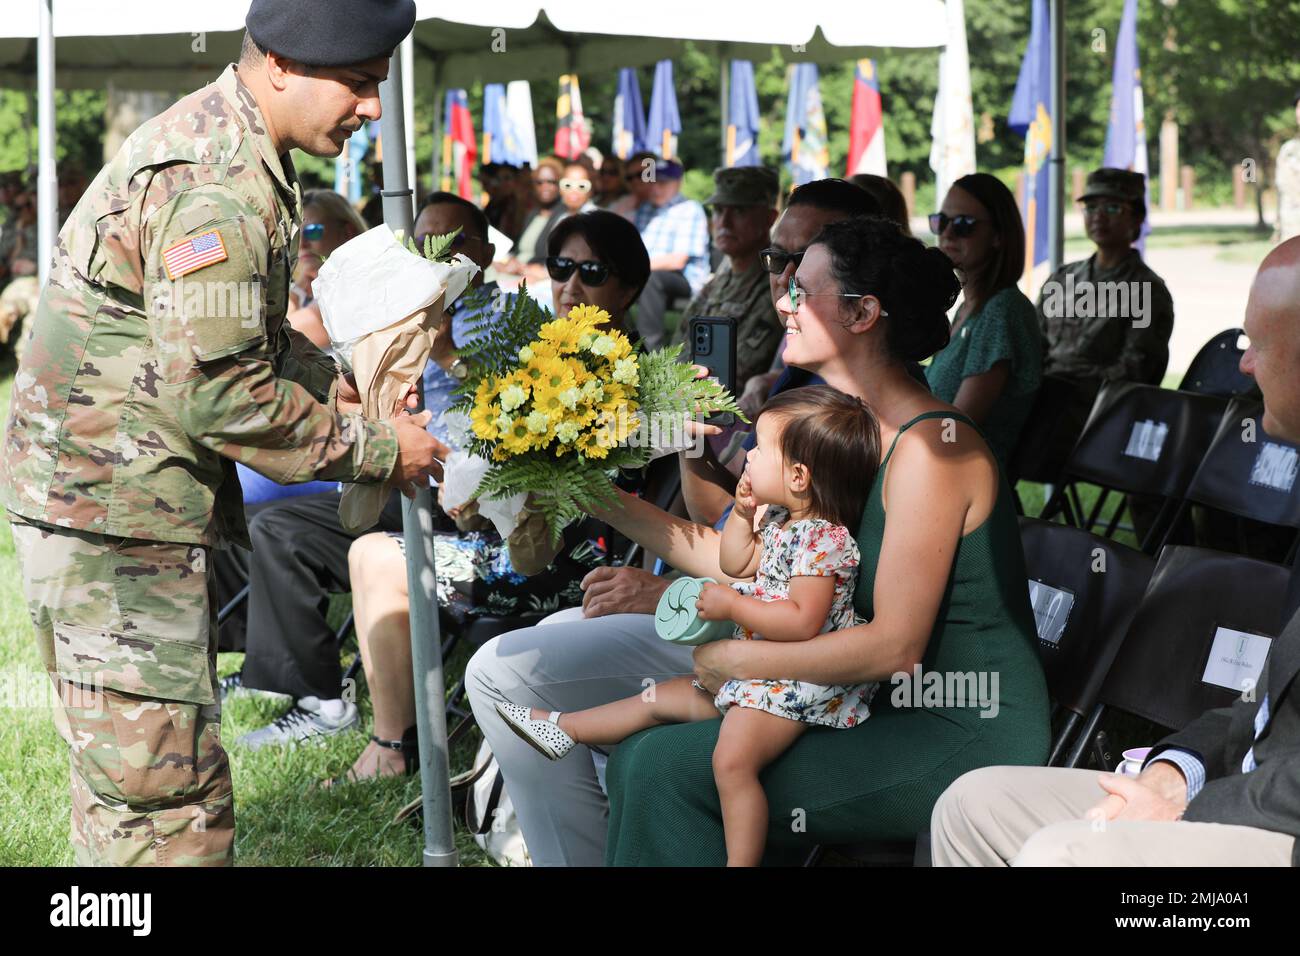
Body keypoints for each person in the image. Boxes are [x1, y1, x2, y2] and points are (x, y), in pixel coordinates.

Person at [0, 0, 442, 867]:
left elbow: (249, 340)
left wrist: (340, 387)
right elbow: (221, 395)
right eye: (356, 84)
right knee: (171, 819)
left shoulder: (234, 149)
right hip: (113, 526)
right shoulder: (217, 184)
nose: (373, 109)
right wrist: (385, 449)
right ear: (279, 62)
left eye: (378, 84)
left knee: (137, 803)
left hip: (113, 512)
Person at [465, 215, 1051, 866]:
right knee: (652, 755)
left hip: (956, 725)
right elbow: (733, 562)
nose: (782, 303)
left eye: (802, 291)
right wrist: (587, 491)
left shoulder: (932, 449)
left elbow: (896, 645)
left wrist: (739, 664)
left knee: (662, 764)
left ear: (862, 315)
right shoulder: (837, 432)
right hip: (860, 697)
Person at [931, 237, 1300, 867]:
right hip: (1245, 789)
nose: (1241, 366)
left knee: (1065, 854)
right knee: (973, 806)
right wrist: (1175, 771)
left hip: (1274, 822)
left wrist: (1189, 808)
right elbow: (1262, 705)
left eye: (1255, 345)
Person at [496, 386, 880, 866]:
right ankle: (563, 728)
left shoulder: (826, 540)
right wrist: (742, 516)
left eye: (760, 449)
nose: (748, 455)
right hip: (761, 673)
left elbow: (802, 622)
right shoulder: (782, 519)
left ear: (799, 476)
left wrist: (733, 607)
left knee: (731, 762)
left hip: (795, 685)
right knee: (659, 699)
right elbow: (735, 562)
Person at [335, 210, 653, 784]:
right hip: (509, 543)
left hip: (570, 566)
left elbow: (582, 497)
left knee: (377, 557)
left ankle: (390, 747)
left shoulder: (628, 377)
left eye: (592, 271)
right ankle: (395, 739)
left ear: (629, 288)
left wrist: (492, 489)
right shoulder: (545, 357)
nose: (571, 285)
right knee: (374, 544)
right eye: (561, 267)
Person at [214, 191, 502, 749]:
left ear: (485, 253)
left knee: (279, 529)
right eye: (423, 240)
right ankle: (264, 668)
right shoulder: (397, 307)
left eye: (455, 240)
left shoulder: (502, 317)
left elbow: (513, 409)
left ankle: (322, 702)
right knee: (232, 513)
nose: (437, 250)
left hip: (457, 494)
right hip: (387, 472)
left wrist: (446, 356)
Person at [925, 173, 1042, 467]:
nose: (947, 233)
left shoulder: (1002, 311)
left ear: (999, 236)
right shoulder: (969, 307)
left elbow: (956, 428)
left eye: (964, 224)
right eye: (942, 221)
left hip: (961, 478)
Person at [669, 166, 782, 393]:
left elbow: (737, 373)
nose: (724, 222)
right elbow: (674, 351)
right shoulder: (717, 283)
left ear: (769, 218)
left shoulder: (773, 286)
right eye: (719, 210)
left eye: (739, 211)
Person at [632, 157, 709, 350]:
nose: (657, 187)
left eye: (663, 182)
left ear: (678, 182)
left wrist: (634, 267)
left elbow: (677, 260)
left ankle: (650, 351)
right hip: (646, 272)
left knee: (652, 279)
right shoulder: (644, 208)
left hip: (684, 279)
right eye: (653, 181)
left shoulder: (690, 209)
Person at [285, 188, 369, 347]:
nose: (302, 244)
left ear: (347, 231)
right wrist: (299, 288)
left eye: (313, 231)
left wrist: (297, 291)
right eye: (295, 235)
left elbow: (281, 340)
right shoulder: (311, 287)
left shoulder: (350, 287)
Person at [497, 157, 563, 280]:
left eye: (551, 182)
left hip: (535, 278)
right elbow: (520, 250)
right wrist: (511, 262)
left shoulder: (563, 216)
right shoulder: (533, 214)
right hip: (514, 271)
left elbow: (552, 259)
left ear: (559, 184)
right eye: (539, 182)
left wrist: (523, 268)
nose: (545, 186)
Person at [1276, 92, 1300, 244]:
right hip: (1291, 238)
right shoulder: (1287, 150)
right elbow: (1281, 194)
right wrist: (1277, 229)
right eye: (1298, 107)